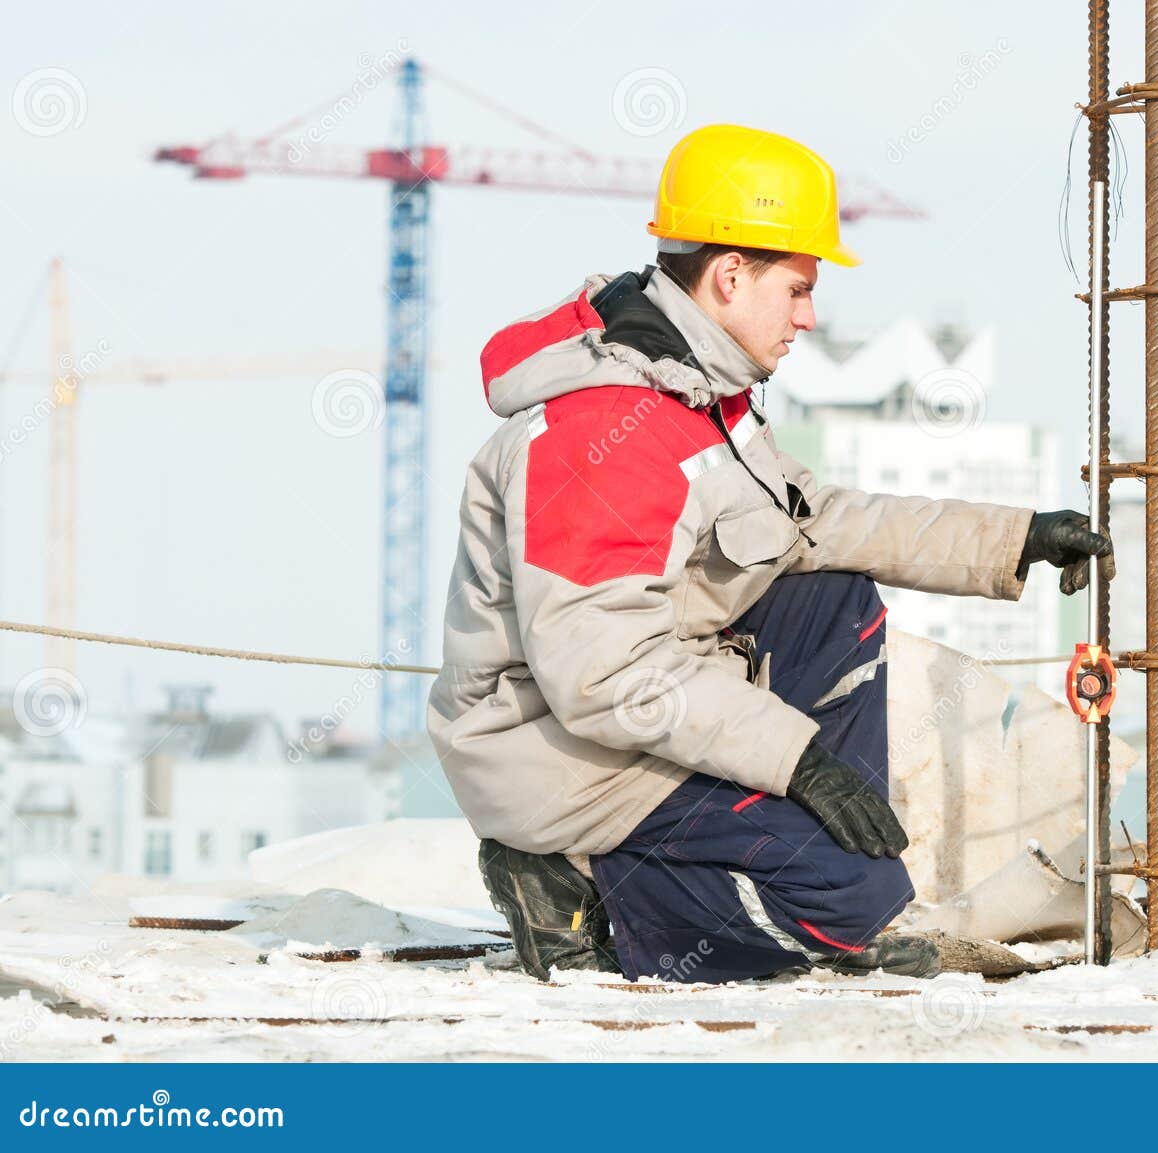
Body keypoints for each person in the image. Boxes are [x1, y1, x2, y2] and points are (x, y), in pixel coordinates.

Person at [428, 123, 1114, 984]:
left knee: (832, 597)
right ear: (728, 276)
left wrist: (1013, 538)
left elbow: (814, 519)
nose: (809, 316)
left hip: (641, 707)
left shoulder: (695, 394)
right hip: (558, 754)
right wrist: (800, 759)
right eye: (797, 288)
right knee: (846, 896)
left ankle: (823, 869)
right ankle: (579, 884)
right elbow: (601, 678)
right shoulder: (605, 430)